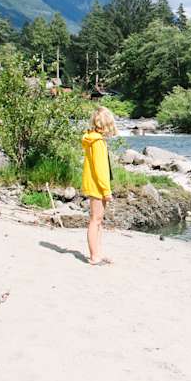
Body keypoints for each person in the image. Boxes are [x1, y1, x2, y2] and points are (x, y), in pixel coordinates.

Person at [81, 106, 116, 265]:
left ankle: (98, 253)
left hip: (93, 184)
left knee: (98, 219)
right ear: (107, 124)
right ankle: (95, 255)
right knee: (95, 220)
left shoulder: (91, 138)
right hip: (97, 186)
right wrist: (106, 191)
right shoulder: (98, 142)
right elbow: (101, 170)